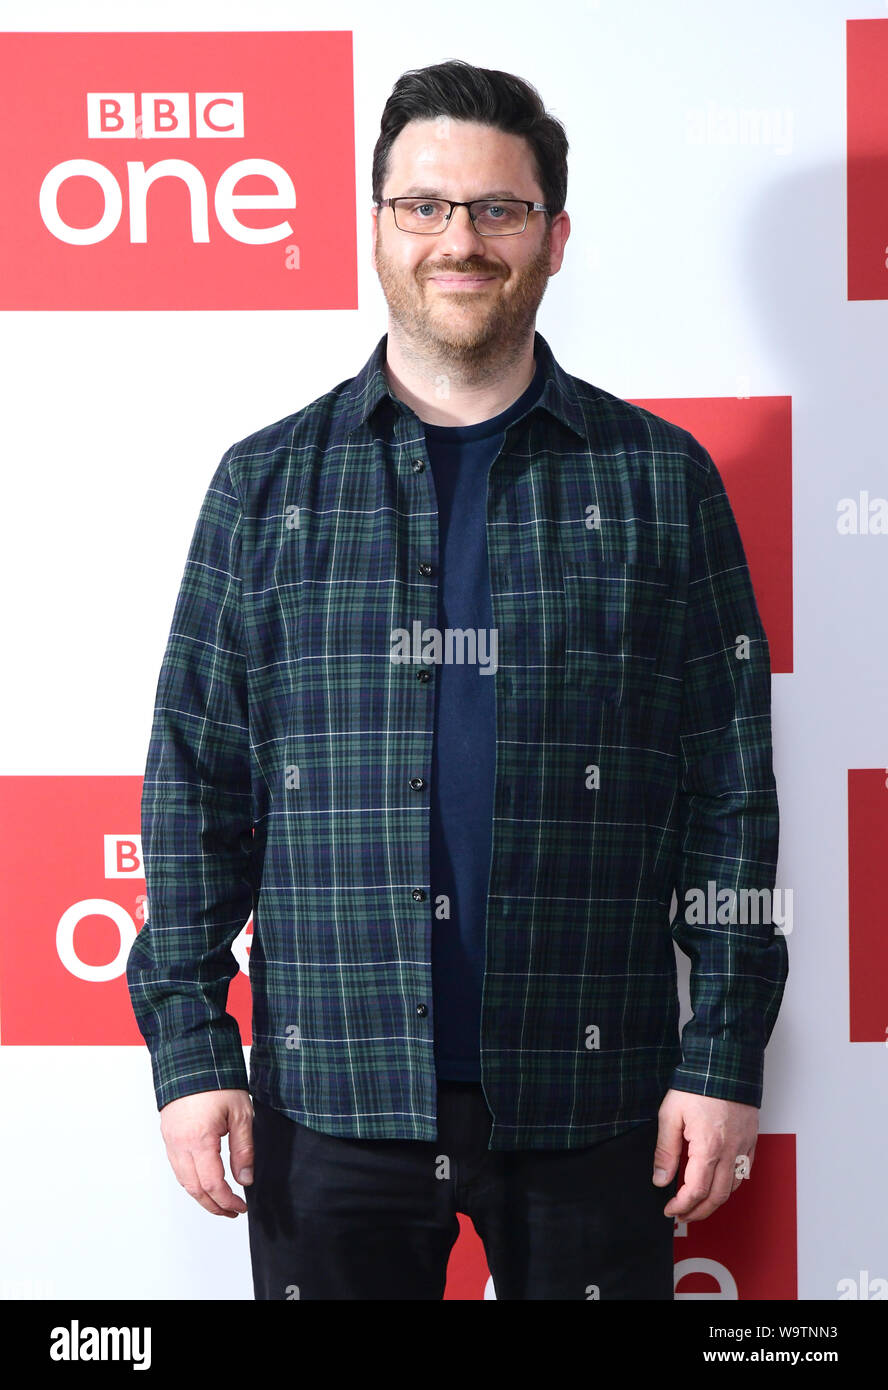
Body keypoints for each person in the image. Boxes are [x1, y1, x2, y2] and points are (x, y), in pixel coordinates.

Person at [126, 58, 788, 1301]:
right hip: (332, 1093)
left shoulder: (662, 482)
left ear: (555, 235)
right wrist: (189, 1045)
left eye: (498, 208)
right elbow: (196, 782)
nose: (460, 241)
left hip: (597, 1097)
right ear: (377, 226)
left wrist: (725, 1050)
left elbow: (731, 794)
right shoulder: (263, 487)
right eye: (423, 206)